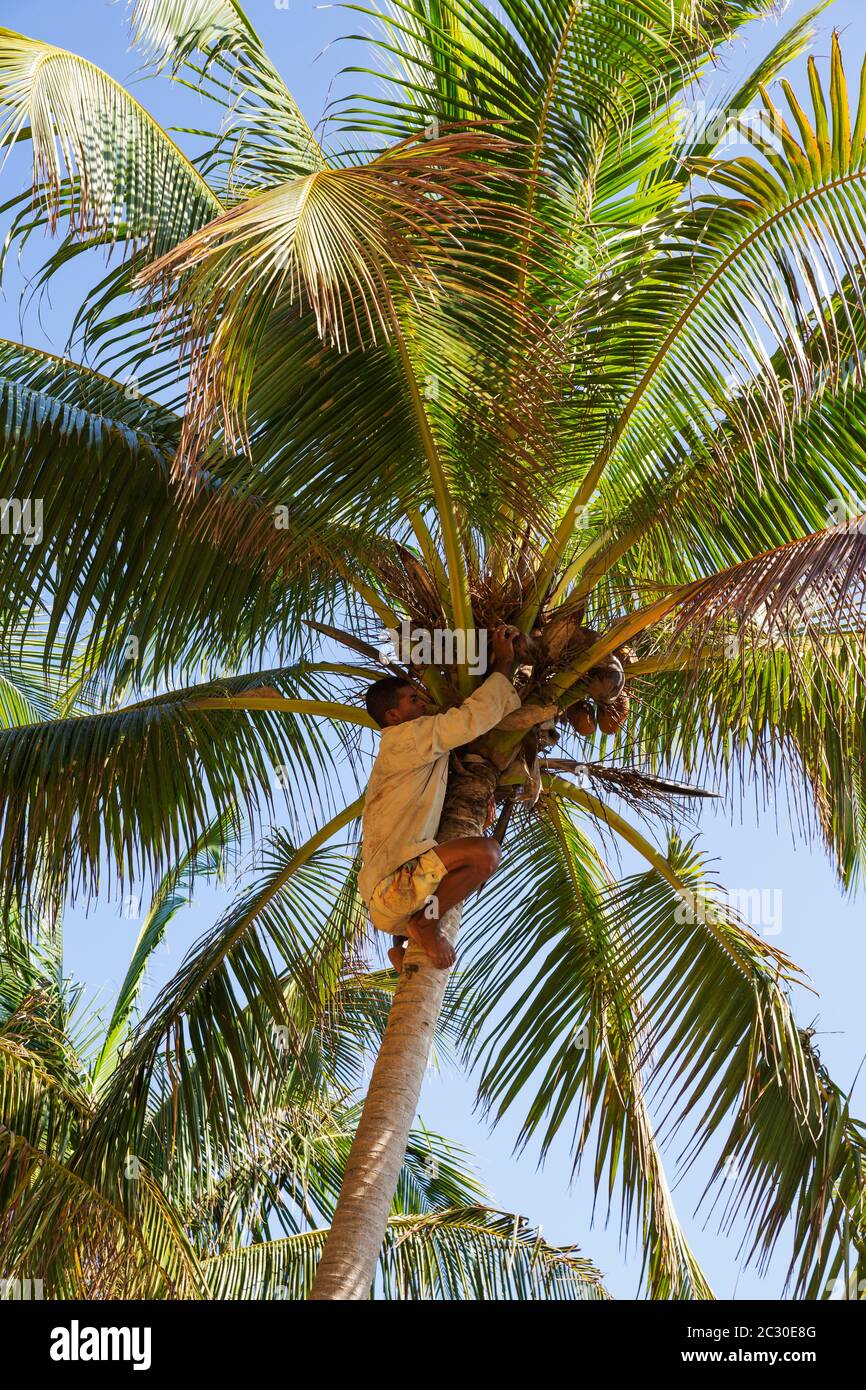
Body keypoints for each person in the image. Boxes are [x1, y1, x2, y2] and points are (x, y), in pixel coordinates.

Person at [358, 625, 522, 970]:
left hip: (390, 898)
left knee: (450, 856)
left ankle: (403, 939)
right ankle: (424, 925)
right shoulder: (409, 736)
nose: (425, 702)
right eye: (414, 699)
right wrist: (504, 664)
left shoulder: (403, 752)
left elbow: (427, 813)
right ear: (393, 715)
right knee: (487, 854)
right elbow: (470, 720)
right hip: (395, 888)